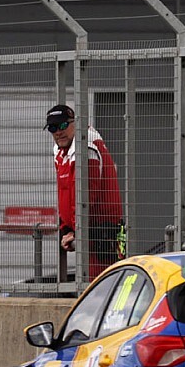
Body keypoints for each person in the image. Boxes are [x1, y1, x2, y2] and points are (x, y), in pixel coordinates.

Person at [47, 104, 125, 278]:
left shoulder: (85, 147)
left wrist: (76, 230)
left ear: (74, 123)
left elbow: (86, 196)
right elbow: (64, 193)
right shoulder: (61, 150)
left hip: (101, 232)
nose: (58, 132)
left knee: (101, 288)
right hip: (85, 231)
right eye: (53, 128)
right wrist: (66, 229)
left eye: (62, 126)